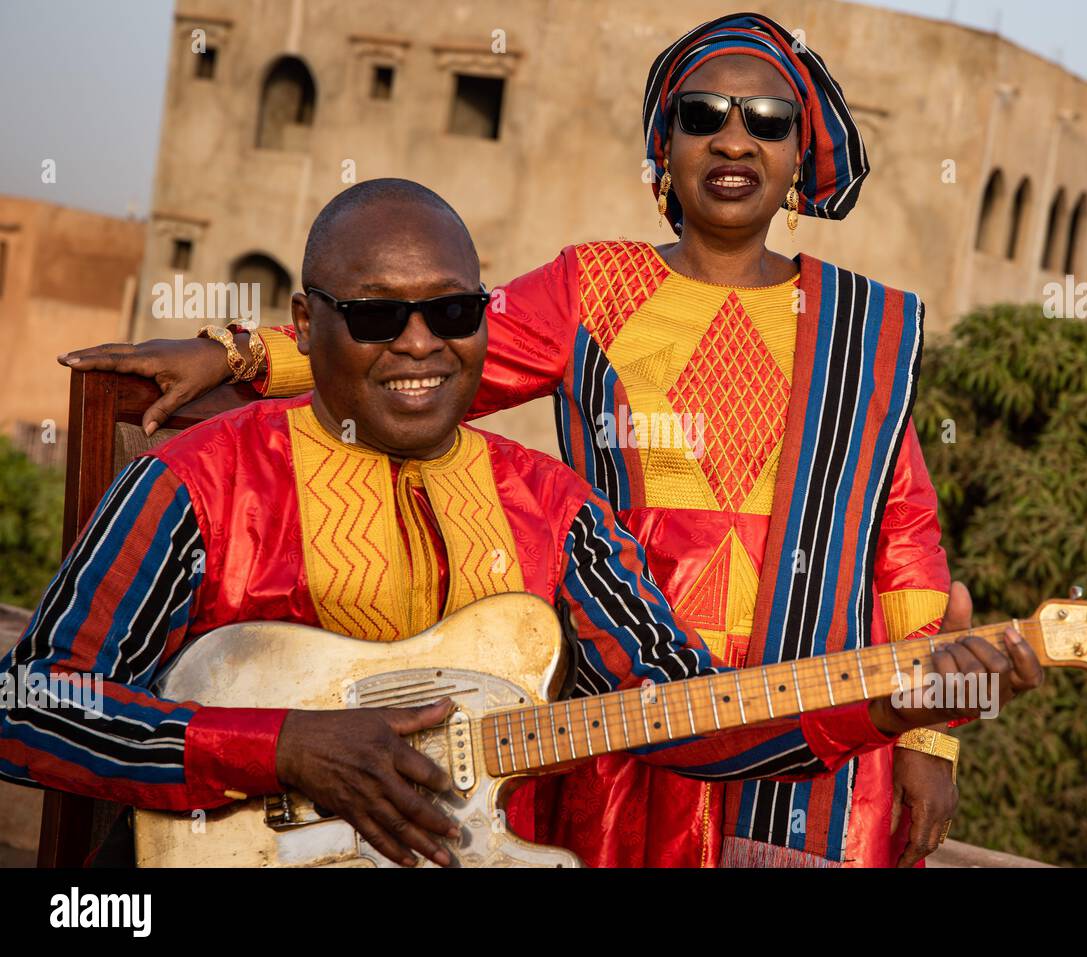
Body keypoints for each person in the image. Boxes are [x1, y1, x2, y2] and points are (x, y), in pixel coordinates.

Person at [58, 14, 990, 868]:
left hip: (792, 704)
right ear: (663, 147)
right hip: (609, 696)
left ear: (801, 154)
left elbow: (903, 537)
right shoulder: (595, 288)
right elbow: (430, 353)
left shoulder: (864, 325)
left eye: (768, 121)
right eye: (703, 113)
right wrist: (245, 351)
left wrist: (921, 729)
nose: (734, 137)